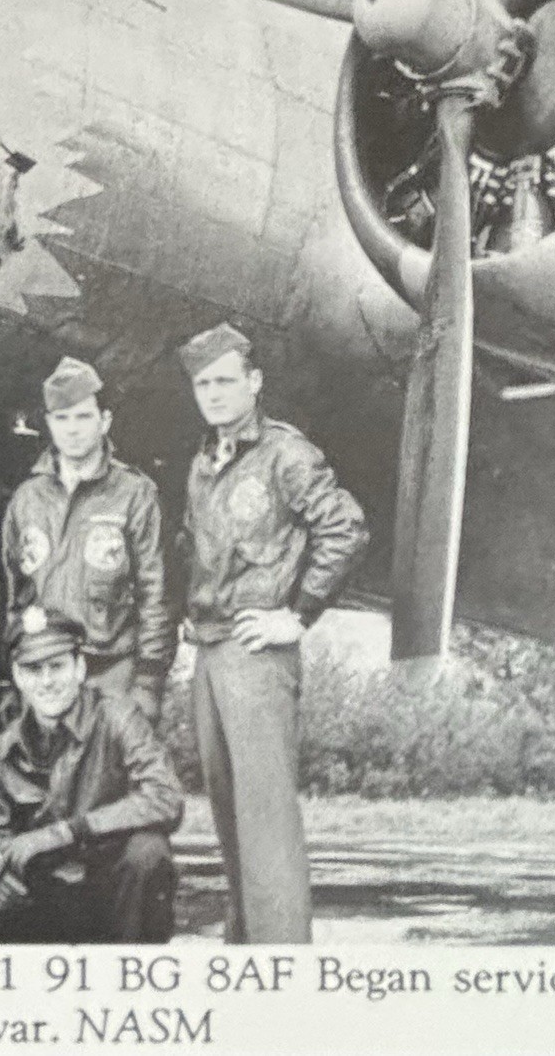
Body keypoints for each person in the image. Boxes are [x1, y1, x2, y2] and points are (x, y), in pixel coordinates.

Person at [175, 322, 369, 944]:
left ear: (254, 383)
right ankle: (245, 958)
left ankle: (282, 968)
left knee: (266, 823)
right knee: (231, 822)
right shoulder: (204, 462)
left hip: (256, 653)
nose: (214, 393)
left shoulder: (284, 453)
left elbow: (346, 529)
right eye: (203, 384)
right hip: (209, 650)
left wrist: (299, 615)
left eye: (226, 381)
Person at [0, 606, 183, 943]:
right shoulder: (5, 749)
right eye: (33, 669)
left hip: (109, 890)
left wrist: (70, 831)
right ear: (17, 676)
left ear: (80, 668)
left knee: (148, 853)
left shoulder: (119, 717)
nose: (46, 682)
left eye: (57, 666)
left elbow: (166, 798)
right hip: (42, 895)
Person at [1, 356, 172, 725]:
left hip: (113, 671)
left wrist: (148, 679)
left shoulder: (134, 494)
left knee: (113, 778)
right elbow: (12, 595)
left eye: (83, 417)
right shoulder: (27, 499)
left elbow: (155, 594)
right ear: (48, 423)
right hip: (46, 670)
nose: (73, 430)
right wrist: (8, 679)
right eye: (61, 419)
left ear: (105, 421)